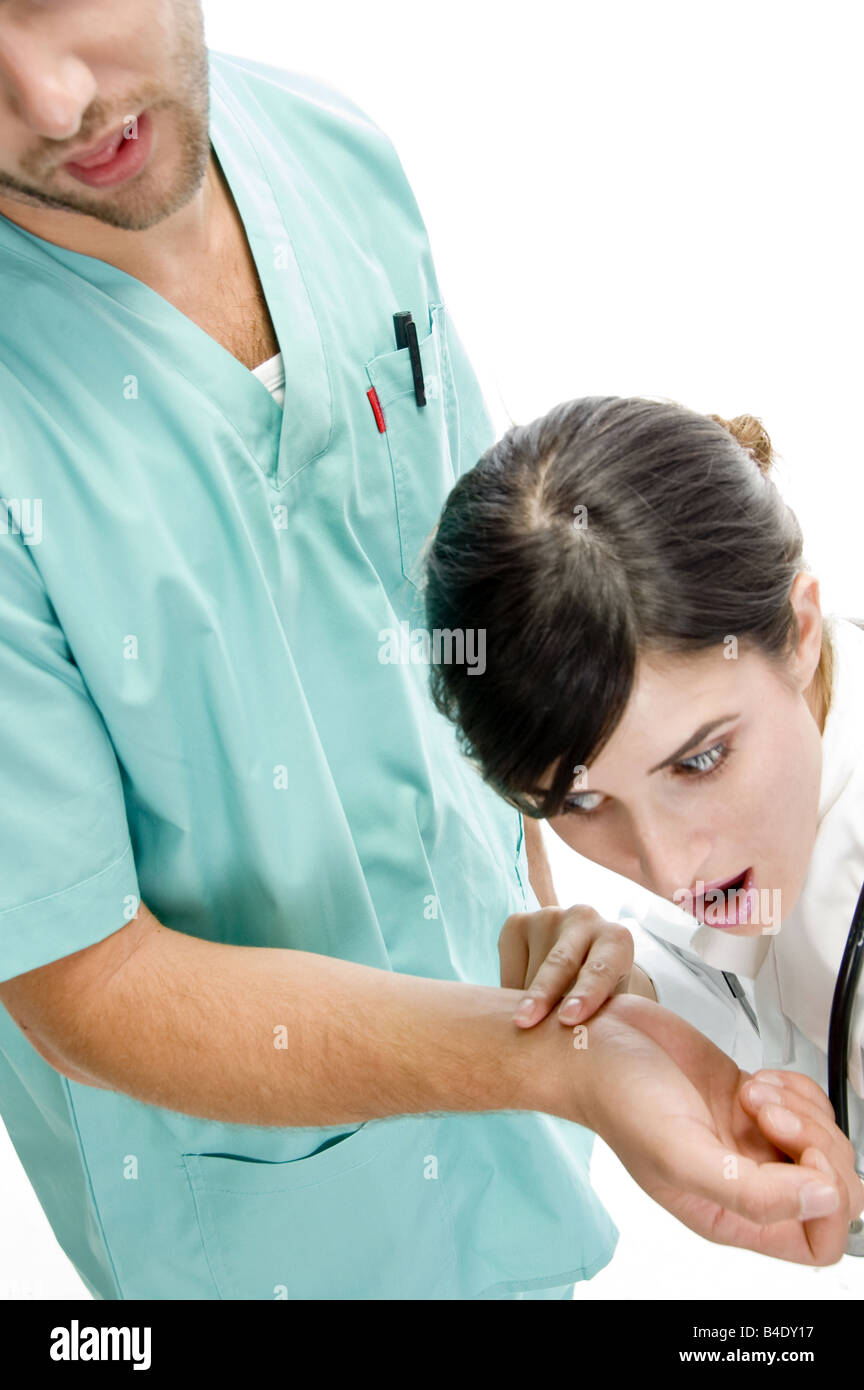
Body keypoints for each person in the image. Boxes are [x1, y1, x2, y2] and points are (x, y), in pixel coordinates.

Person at [0, 5, 858, 1303]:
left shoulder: (333, 158)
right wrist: (566, 1050)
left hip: (520, 1157)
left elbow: (509, 635)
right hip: (270, 1238)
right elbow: (84, 974)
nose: (53, 97)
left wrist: (553, 953)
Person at [424, 394, 864, 1188]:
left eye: (699, 762)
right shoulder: (776, 798)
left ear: (799, 633)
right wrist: (633, 998)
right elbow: (744, 984)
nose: (667, 869)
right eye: (582, 805)